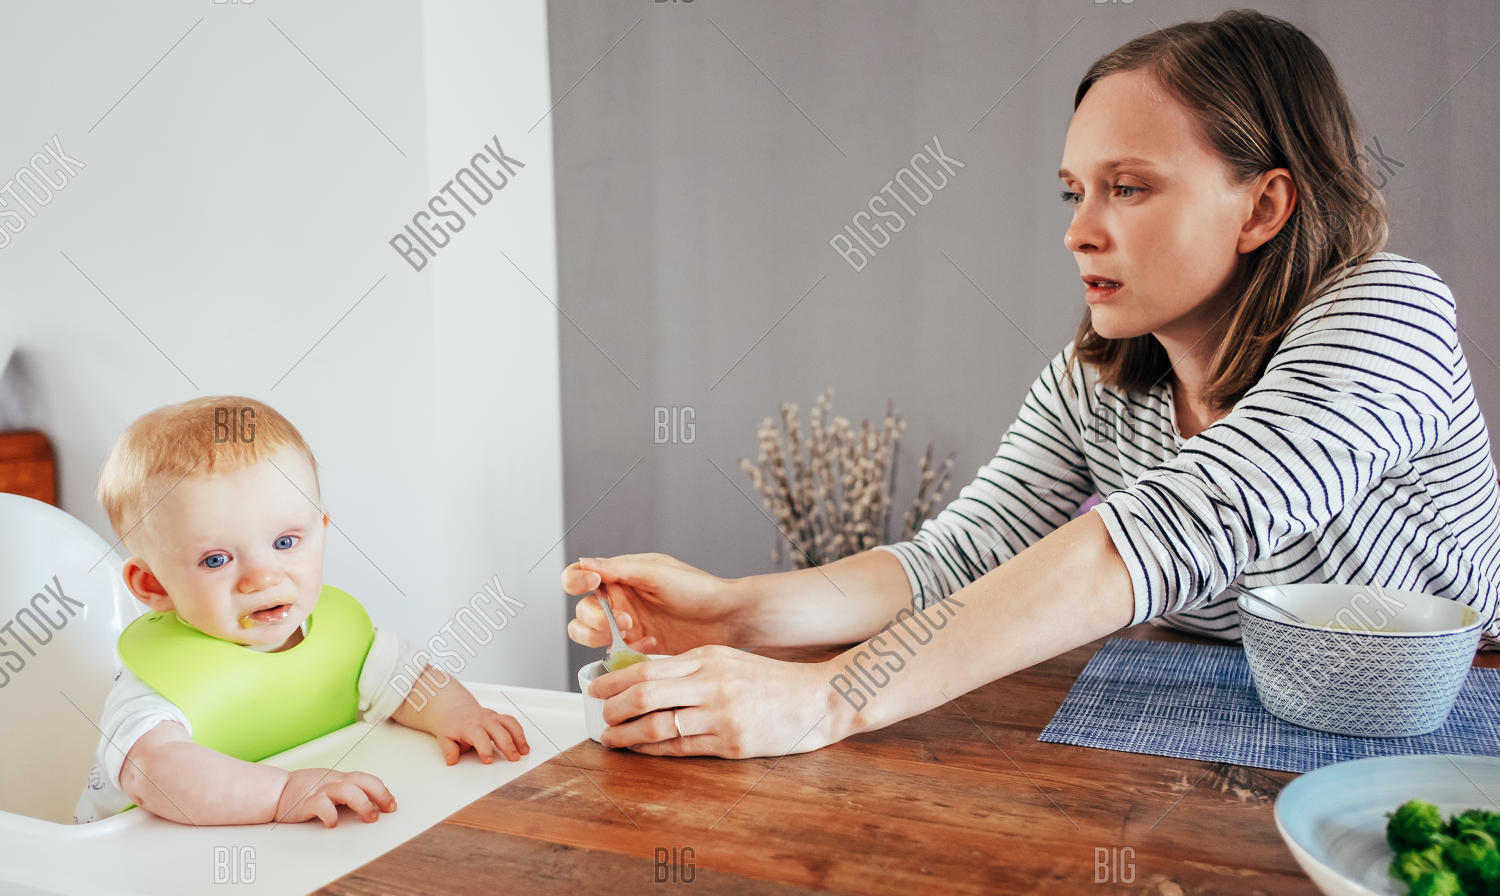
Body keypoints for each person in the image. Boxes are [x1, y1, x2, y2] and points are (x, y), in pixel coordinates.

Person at [560, 10, 1500, 759]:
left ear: (1263, 205)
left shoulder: (1389, 315)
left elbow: (1162, 533)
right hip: (1229, 725)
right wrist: (743, 611)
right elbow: (952, 563)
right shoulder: (1099, 374)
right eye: (1073, 191)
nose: (1079, 230)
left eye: (1128, 188)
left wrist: (828, 699)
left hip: (1457, 730)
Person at [75, 395, 528, 826]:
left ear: (321, 532)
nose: (263, 578)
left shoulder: (340, 636)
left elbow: (408, 678)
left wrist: (460, 715)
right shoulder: (157, 685)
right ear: (153, 584)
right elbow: (156, 773)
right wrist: (281, 794)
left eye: (285, 543)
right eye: (216, 560)